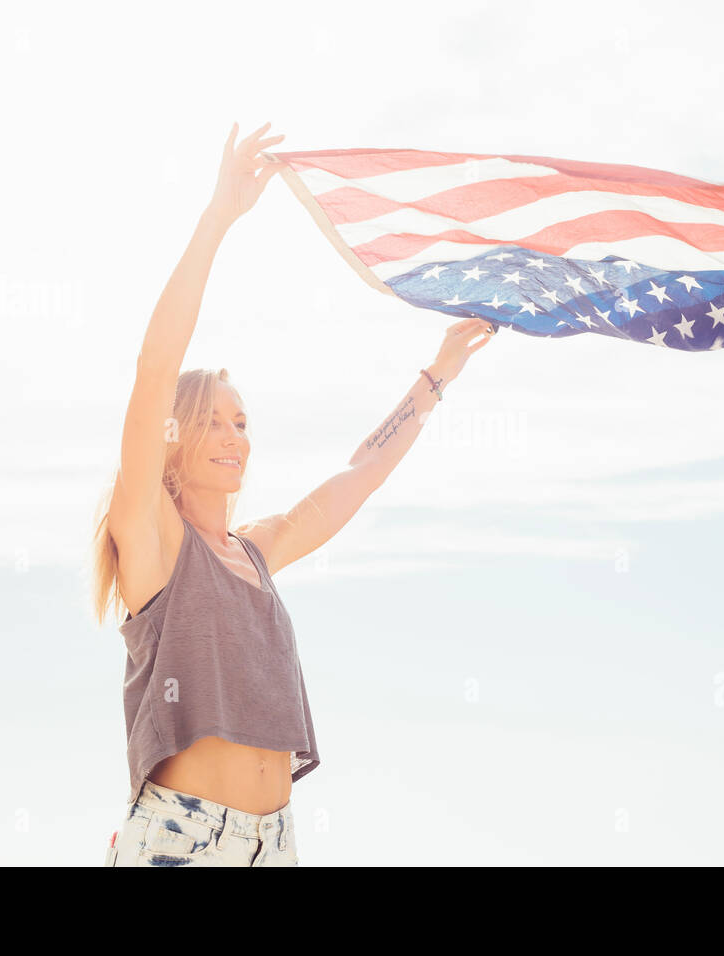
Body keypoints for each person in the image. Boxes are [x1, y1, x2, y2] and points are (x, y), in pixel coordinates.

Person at [90, 120, 496, 866]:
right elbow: (154, 371)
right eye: (211, 421)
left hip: (273, 844)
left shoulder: (256, 551)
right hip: (180, 841)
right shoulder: (150, 539)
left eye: (241, 421)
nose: (233, 436)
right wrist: (217, 221)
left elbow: (357, 477)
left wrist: (434, 379)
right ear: (175, 439)